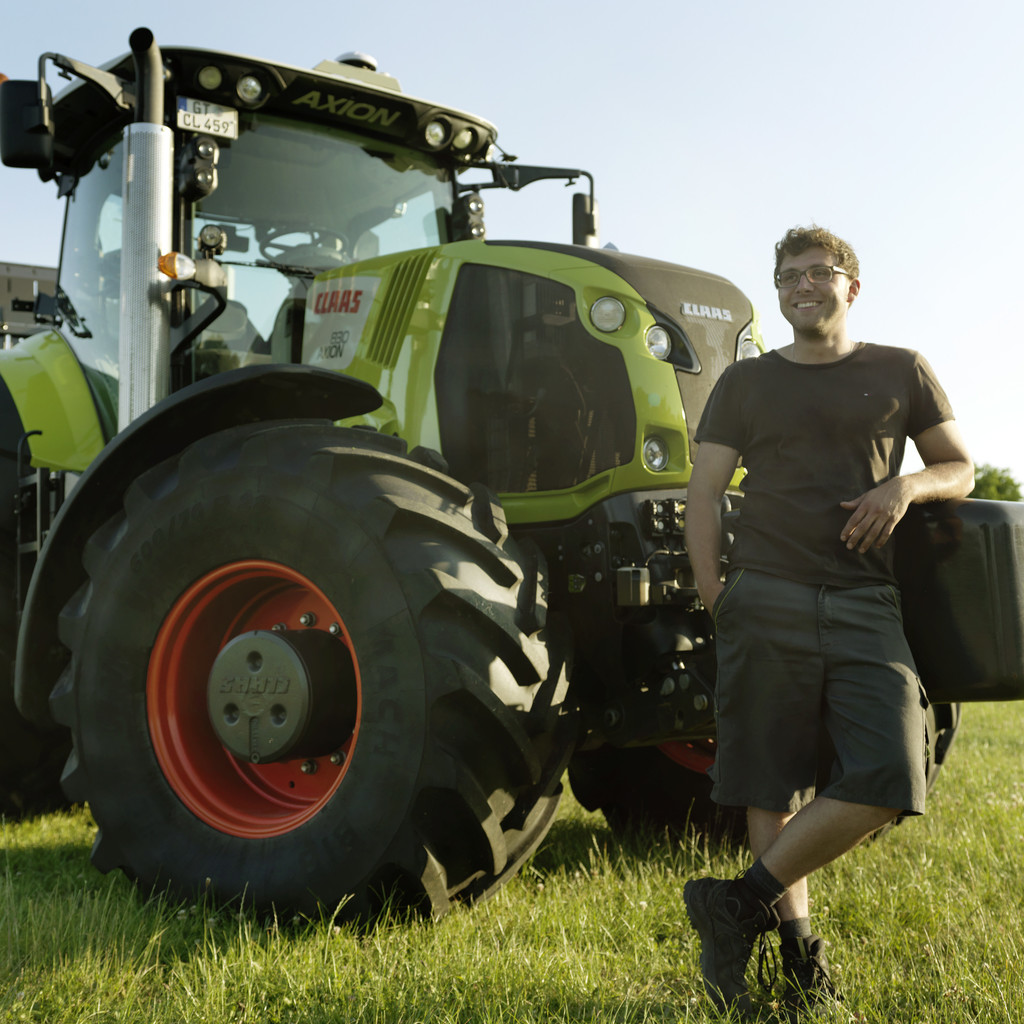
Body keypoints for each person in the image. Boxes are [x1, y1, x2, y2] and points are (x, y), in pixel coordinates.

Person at [682, 225, 974, 1020]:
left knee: (890, 774)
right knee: (766, 780)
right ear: (779, 292)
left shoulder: (899, 370)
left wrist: (905, 490)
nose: (802, 286)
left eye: (818, 272)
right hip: (764, 593)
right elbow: (704, 494)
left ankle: (734, 904)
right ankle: (798, 959)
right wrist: (718, 597)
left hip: (863, 599)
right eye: (788, 277)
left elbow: (960, 466)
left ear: (851, 286)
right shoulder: (744, 382)